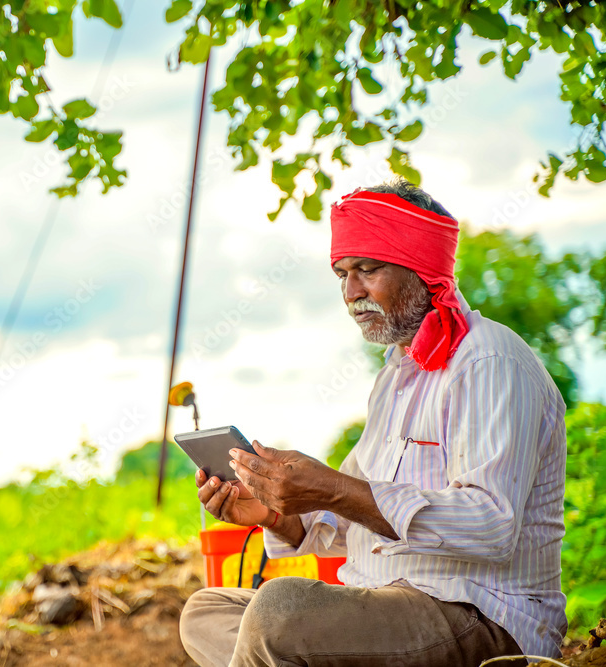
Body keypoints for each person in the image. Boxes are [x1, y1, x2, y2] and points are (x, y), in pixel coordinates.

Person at [179, 179, 568, 667]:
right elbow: (359, 521)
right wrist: (277, 514)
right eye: (342, 273)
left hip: (479, 616)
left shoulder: (489, 361)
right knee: (206, 611)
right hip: (386, 599)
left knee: (278, 613)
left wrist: (334, 489)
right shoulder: (395, 375)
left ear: (421, 270)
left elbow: (492, 526)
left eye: (367, 269)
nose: (351, 292)